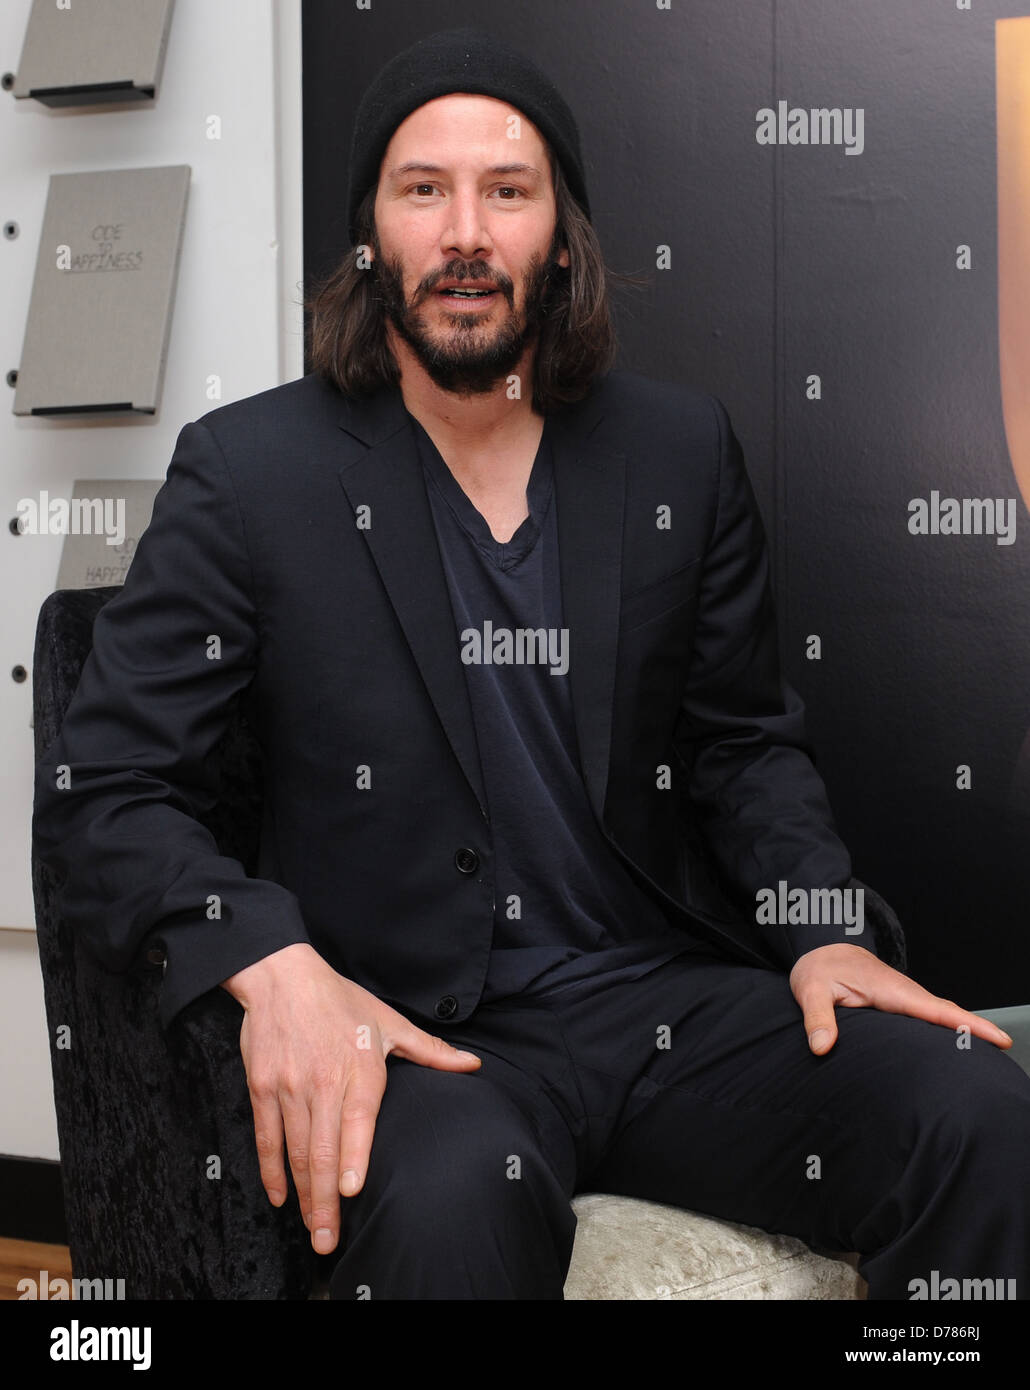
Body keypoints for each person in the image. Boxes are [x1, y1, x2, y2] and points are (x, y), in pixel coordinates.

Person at [33, 27, 1030, 1301]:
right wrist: (270, 960)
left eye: (506, 190)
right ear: (370, 234)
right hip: (421, 1034)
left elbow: (740, 744)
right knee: (454, 1210)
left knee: (977, 1110)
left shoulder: (676, 452)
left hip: (660, 1004)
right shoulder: (250, 474)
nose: (464, 232)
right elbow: (104, 793)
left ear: (560, 234)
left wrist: (817, 923)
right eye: (421, 189)